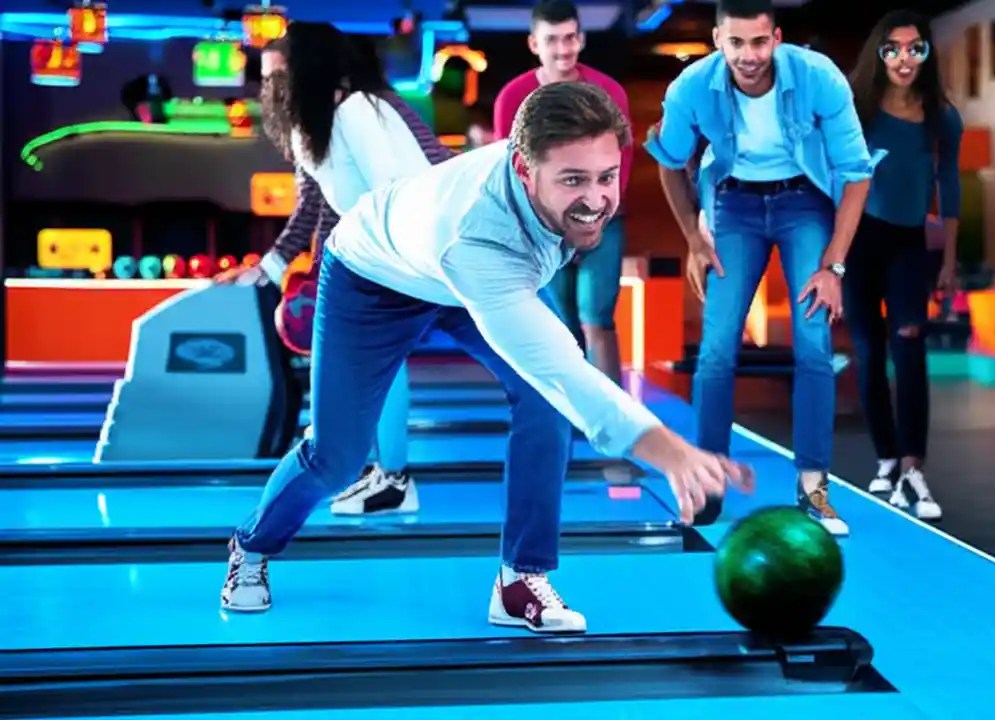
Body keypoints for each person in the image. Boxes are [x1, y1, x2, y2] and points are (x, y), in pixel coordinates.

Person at [220, 81, 755, 633]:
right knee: (338, 456)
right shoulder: (476, 237)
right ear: (524, 171)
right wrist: (665, 449)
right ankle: (251, 545)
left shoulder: (552, 185)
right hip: (374, 279)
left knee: (541, 407)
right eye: (573, 180)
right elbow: (562, 372)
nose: (596, 198)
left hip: (460, 271)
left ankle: (521, 580)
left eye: (606, 176)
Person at [643, 0, 880, 535]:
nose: (747, 56)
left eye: (757, 42)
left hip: (805, 203)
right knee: (717, 346)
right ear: (717, 40)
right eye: (735, 44)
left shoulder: (818, 78)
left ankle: (814, 489)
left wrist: (834, 268)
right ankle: (706, 483)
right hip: (735, 207)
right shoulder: (692, 87)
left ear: (776, 38)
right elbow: (667, 160)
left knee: (814, 341)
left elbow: (856, 174)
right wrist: (693, 241)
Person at [215, 22, 455, 518]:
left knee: (381, 363)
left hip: (413, 246)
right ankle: (375, 471)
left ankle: (392, 478)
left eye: (279, 76)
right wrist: (270, 268)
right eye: (265, 79)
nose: (270, 90)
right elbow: (318, 204)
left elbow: (414, 176)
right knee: (367, 364)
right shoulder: (315, 122)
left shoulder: (363, 109)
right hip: (376, 254)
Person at [845, 10, 962, 521]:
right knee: (869, 354)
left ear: (927, 55)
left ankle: (915, 464)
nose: (904, 59)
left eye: (916, 48)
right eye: (893, 48)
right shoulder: (858, 111)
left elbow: (949, 188)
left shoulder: (942, 117)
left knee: (910, 349)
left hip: (911, 242)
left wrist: (950, 259)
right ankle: (887, 458)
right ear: (879, 54)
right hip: (859, 241)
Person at [493, 0, 632, 385]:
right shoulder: (513, 97)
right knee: (558, 326)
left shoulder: (608, 91)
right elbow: (508, 169)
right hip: (542, 229)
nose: (563, 48)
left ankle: (616, 424)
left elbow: (623, 162)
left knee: (597, 320)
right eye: (552, 40)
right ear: (534, 44)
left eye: (570, 37)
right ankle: (566, 418)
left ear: (582, 39)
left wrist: (595, 219)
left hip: (603, 222)